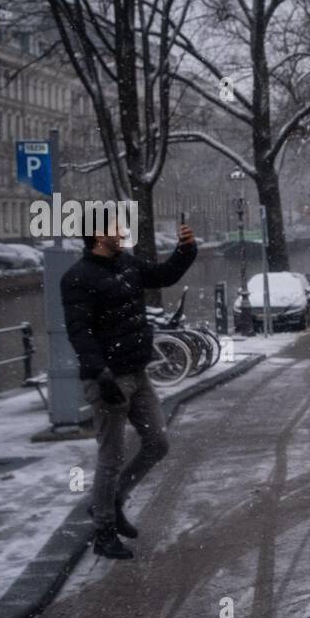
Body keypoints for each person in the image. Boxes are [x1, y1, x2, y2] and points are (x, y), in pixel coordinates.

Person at [61, 221, 197, 560]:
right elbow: (80, 331)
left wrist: (185, 250)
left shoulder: (128, 264)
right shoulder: (78, 278)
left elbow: (164, 275)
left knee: (157, 443)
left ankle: (112, 500)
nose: (121, 233)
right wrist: (100, 373)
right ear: (96, 235)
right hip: (110, 378)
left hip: (137, 372)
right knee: (111, 456)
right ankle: (104, 531)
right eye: (114, 229)